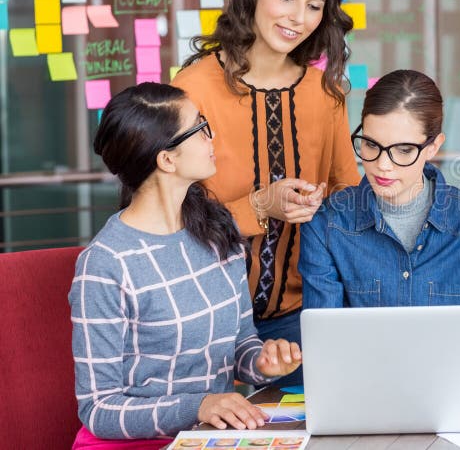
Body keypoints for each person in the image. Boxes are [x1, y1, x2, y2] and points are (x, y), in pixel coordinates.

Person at [171, 0, 361, 380]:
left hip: (298, 320)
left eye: (314, 5)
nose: (298, 17)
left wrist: (324, 206)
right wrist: (259, 205)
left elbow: (348, 195)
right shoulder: (191, 89)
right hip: (204, 321)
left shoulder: (327, 94)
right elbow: (167, 216)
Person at [69, 83, 302, 446]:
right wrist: (199, 406)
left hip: (208, 437)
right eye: (199, 127)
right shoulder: (105, 264)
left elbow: (240, 342)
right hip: (137, 442)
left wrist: (261, 363)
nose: (212, 136)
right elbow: (98, 410)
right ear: (167, 160)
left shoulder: (217, 230)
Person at [298, 70, 460, 386]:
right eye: (370, 145)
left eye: (403, 150)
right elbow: (323, 346)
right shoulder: (326, 225)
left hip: (453, 394)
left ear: (434, 146)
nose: (382, 165)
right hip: (363, 393)